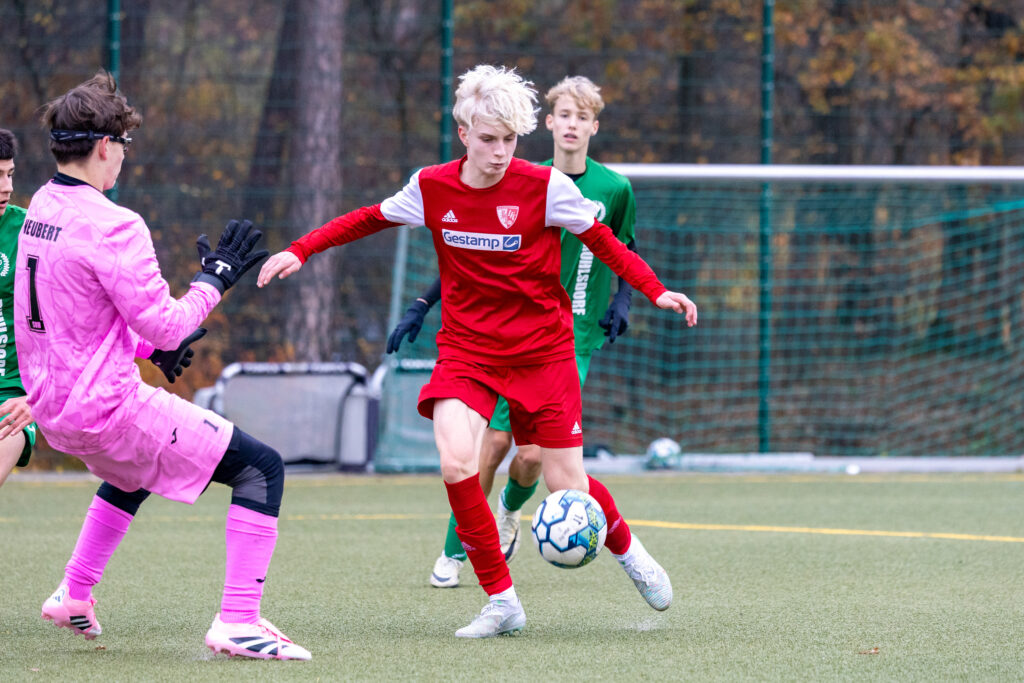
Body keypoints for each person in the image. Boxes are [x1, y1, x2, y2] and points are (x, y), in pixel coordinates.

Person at [258, 64, 697, 638]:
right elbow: (367, 218)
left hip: (543, 353)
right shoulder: (432, 187)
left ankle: (630, 553)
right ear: (463, 133)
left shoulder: (546, 188)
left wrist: (656, 291)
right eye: (488, 139)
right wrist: (301, 249)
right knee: (456, 460)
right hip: (468, 353)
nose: (500, 152)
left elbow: (607, 243)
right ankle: (501, 600)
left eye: (510, 140)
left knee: (567, 483)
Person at [15, 71, 310, 660]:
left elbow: (73, 316)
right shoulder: (115, 224)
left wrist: (149, 350)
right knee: (262, 469)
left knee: (131, 473)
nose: (124, 156)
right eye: (124, 144)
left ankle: (73, 594)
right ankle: (238, 622)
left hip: (53, 411)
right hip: (107, 411)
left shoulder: (40, 208)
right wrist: (214, 280)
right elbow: (170, 324)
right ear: (105, 145)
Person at [387, 76, 641, 589]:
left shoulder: (614, 189)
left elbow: (622, 246)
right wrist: (422, 303)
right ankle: (454, 551)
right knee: (490, 446)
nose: (571, 125)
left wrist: (626, 298)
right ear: (547, 122)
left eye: (582, 117)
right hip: (506, 337)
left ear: (594, 126)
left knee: (533, 455)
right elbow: (472, 253)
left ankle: (510, 511)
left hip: (570, 337)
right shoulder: (521, 177)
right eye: (563, 115)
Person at [0, 129, 38, 487]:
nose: (7, 187)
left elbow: (80, 305)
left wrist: (150, 346)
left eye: (9, 174)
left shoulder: (28, 232)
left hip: (12, 397)